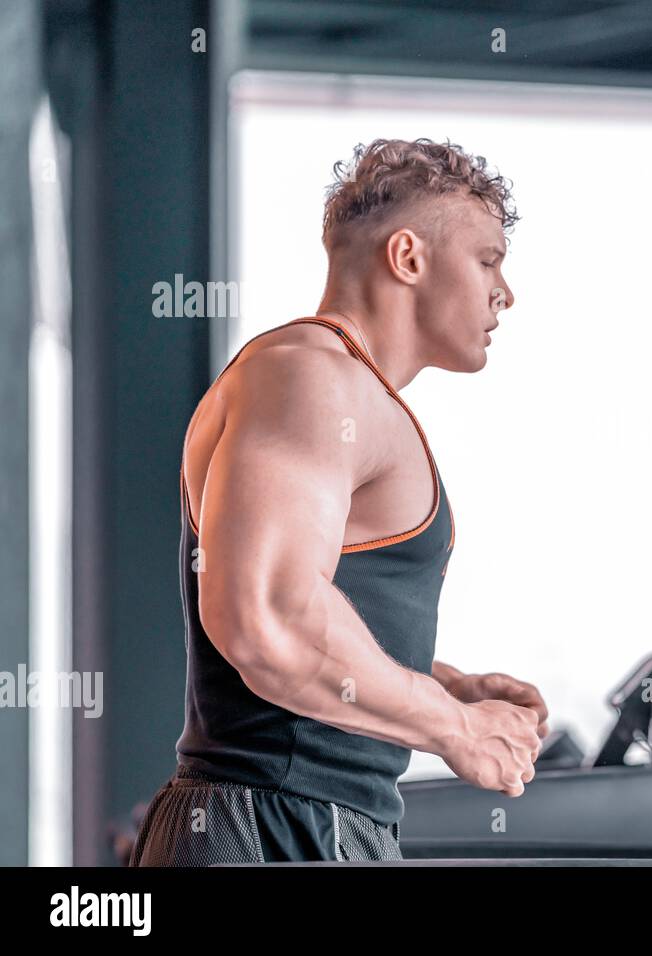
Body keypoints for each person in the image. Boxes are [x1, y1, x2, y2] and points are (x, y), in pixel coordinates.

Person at [130, 138, 545, 865]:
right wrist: (453, 726)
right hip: (276, 822)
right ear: (409, 257)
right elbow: (269, 620)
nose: (504, 291)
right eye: (488, 260)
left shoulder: (337, 386)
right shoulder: (312, 378)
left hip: (302, 818)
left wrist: (445, 683)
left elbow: (316, 608)